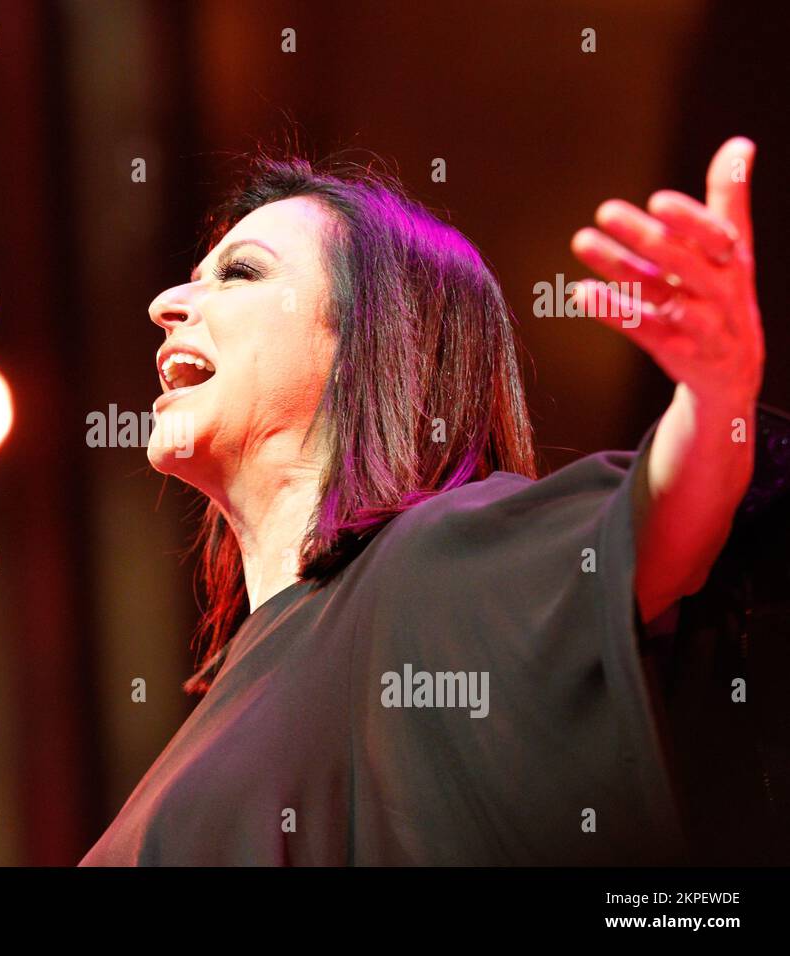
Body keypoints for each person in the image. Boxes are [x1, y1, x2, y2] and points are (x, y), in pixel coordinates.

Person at [79, 138, 764, 865]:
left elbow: (667, 531)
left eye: (240, 273)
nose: (165, 305)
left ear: (368, 341)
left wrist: (718, 393)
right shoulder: (239, 686)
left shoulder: (425, 568)